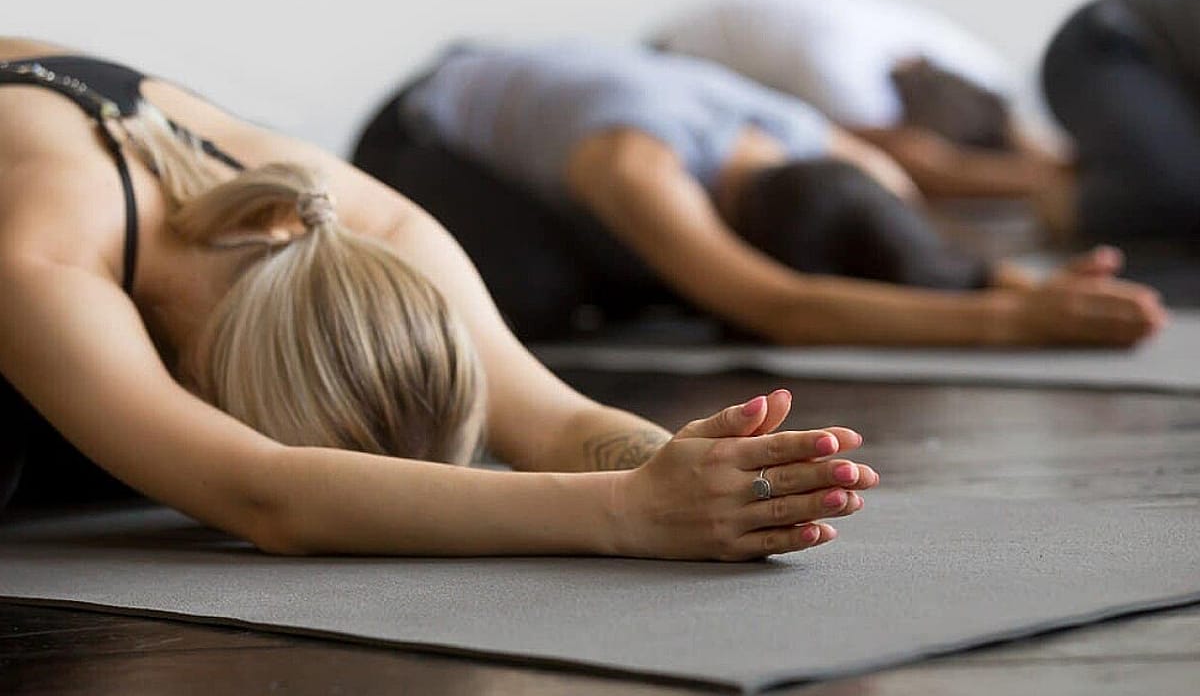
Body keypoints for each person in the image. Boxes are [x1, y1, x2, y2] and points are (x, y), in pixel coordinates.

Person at [0, 37, 881, 562]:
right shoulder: (44, 248)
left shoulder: (364, 221)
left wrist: (688, 469)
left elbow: (556, 422)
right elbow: (264, 492)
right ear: (206, 378)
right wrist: (628, 512)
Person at [353, 41, 1166, 347]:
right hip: (426, 124)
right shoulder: (637, 166)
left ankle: (675, 269)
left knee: (658, 270)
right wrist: (1011, 324)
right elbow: (784, 305)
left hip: (567, 116)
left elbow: (898, 229)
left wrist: (1013, 279)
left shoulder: (819, 141)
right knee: (535, 292)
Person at [649, 0, 1069, 202]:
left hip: (764, 44)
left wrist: (1066, 169)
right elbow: (913, 165)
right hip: (672, 65)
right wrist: (1049, 187)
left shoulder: (981, 73)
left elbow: (1021, 140)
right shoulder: (843, 79)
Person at [1040, 0, 1200, 242]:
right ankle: (1067, 200)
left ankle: (1111, 167)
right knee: (1183, 192)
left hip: (1171, 84)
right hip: (1102, 47)